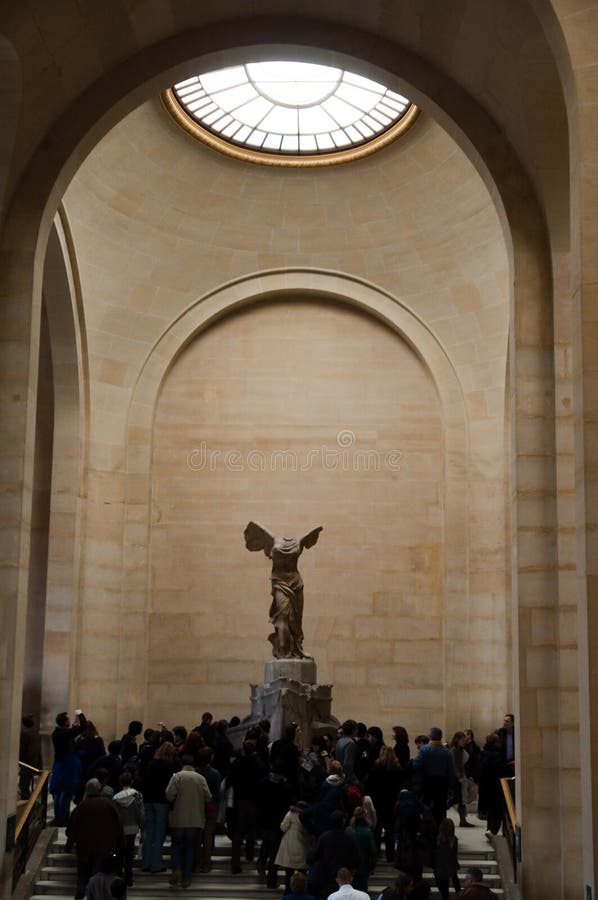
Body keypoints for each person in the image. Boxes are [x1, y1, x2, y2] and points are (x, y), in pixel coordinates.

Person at [244, 520, 323, 658]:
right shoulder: (272, 539)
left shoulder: (300, 541)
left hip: (296, 583)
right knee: (282, 618)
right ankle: (283, 651)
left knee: (296, 620)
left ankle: (297, 649)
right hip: (280, 582)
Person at [67, 779, 124, 900]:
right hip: (104, 847)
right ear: (99, 789)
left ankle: (81, 895)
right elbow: (118, 825)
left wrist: (69, 844)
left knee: (83, 875)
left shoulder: (81, 806)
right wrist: (121, 843)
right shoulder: (108, 804)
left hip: (84, 848)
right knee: (99, 876)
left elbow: (74, 827)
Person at [165, 754, 212, 889]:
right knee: (190, 848)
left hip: (179, 818)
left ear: (182, 764)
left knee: (176, 846)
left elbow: (169, 795)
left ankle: (176, 870)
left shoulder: (177, 776)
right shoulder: (200, 778)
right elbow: (208, 797)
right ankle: (186, 878)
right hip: (195, 819)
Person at [141, 739, 178, 874]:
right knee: (159, 833)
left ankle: (146, 862)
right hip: (161, 801)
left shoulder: (151, 764)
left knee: (149, 832)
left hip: (149, 800)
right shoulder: (168, 766)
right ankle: (156, 864)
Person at [307, 810, 359, 900]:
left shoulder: (324, 837)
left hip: (326, 877)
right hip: (344, 877)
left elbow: (314, 856)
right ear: (343, 821)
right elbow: (357, 858)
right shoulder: (349, 838)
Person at [412, 727, 456, 826]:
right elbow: (450, 771)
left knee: (427, 808)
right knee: (441, 808)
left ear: (430, 736)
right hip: (442, 783)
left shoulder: (425, 749)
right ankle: (440, 830)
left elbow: (416, 764)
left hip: (428, 782)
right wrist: (452, 786)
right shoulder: (446, 752)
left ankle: (428, 830)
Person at [50, 709, 87, 825]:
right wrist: (80, 714)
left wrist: (72, 728)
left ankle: (58, 817)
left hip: (59, 763)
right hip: (68, 764)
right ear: (65, 722)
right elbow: (83, 726)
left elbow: (69, 734)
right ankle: (63, 819)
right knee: (66, 792)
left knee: (57, 792)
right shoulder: (66, 733)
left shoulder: (56, 733)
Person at [113, 770, 145, 886]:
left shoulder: (116, 798)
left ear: (120, 783)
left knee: (119, 853)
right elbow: (140, 813)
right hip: (132, 827)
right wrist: (143, 827)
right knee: (129, 853)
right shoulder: (137, 795)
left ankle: (118, 875)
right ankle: (128, 878)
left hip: (121, 828)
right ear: (132, 781)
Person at [275, 801, 313, 892]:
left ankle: (288, 893)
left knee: (289, 873)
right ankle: (302, 893)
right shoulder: (308, 816)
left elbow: (283, 827)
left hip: (290, 846)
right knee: (303, 873)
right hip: (303, 847)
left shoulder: (290, 813)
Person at [348, 806, 377, 893]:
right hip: (363, 865)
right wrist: (371, 866)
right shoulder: (367, 831)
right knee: (362, 891)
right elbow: (373, 852)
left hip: (349, 866)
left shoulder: (348, 831)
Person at [449, 731, 475, 827]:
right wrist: (460, 777)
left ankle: (463, 820)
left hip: (460, 778)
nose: (464, 742)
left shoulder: (459, 750)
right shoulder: (454, 750)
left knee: (461, 801)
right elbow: (455, 765)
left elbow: (461, 765)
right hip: (456, 779)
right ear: (457, 740)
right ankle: (462, 820)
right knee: (455, 800)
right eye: (462, 740)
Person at [433, 817, 461, 900]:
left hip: (445, 866)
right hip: (442, 866)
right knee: (445, 889)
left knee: (445, 890)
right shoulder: (439, 839)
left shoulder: (450, 840)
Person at [19, 714, 42, 800]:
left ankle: (26, 801)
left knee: (24, 784)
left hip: (26, 762)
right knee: (26, 783)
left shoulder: (25, 734)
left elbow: (22, 749)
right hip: (32, 762)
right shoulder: (35, 734)